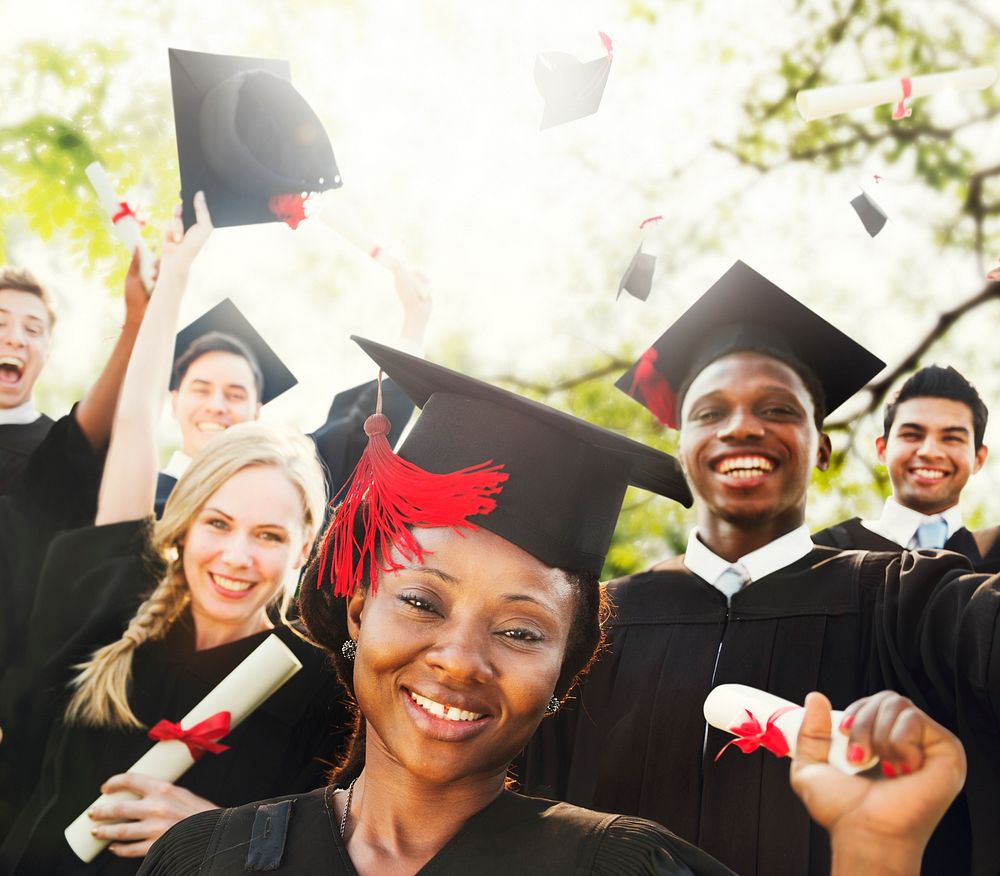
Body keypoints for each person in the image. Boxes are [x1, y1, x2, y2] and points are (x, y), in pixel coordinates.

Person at [140, 340, 965, 876]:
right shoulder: (199, 858)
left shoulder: (632, 870)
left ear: (567, 674)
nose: (461, 658)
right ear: (357, 611)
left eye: (520, 630)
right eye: (422, 600)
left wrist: (875, 853)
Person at [521, 260, 1000, 876]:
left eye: (777, 409)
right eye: (710, 413)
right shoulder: (594, 624)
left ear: (821, 446)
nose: (742, 426)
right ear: (683, 449)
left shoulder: (910, 599)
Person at [0, 195, 348, 874]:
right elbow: (133, 433)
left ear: (304, 548)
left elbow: (329, 849)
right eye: (216, 524)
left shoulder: (320, 692)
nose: (237, 556)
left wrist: (220, 834)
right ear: (182, 528)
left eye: (271, 535)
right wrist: (174, 282)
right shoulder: (114, 606)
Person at [154, 257, 430, 517]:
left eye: (235, 394)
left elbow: (360, 433)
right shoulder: (139, 502)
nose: (216, 406)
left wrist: (414, 321)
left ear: (255, 413)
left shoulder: (294, 477)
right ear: (175, 402)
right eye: (201, 390)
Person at [813, 365, 1000, 570]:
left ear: (979, 458)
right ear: (882, 449)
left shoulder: (993, 557)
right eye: (912, 434)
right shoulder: (825, 555)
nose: (929, 451)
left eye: (952, 438)